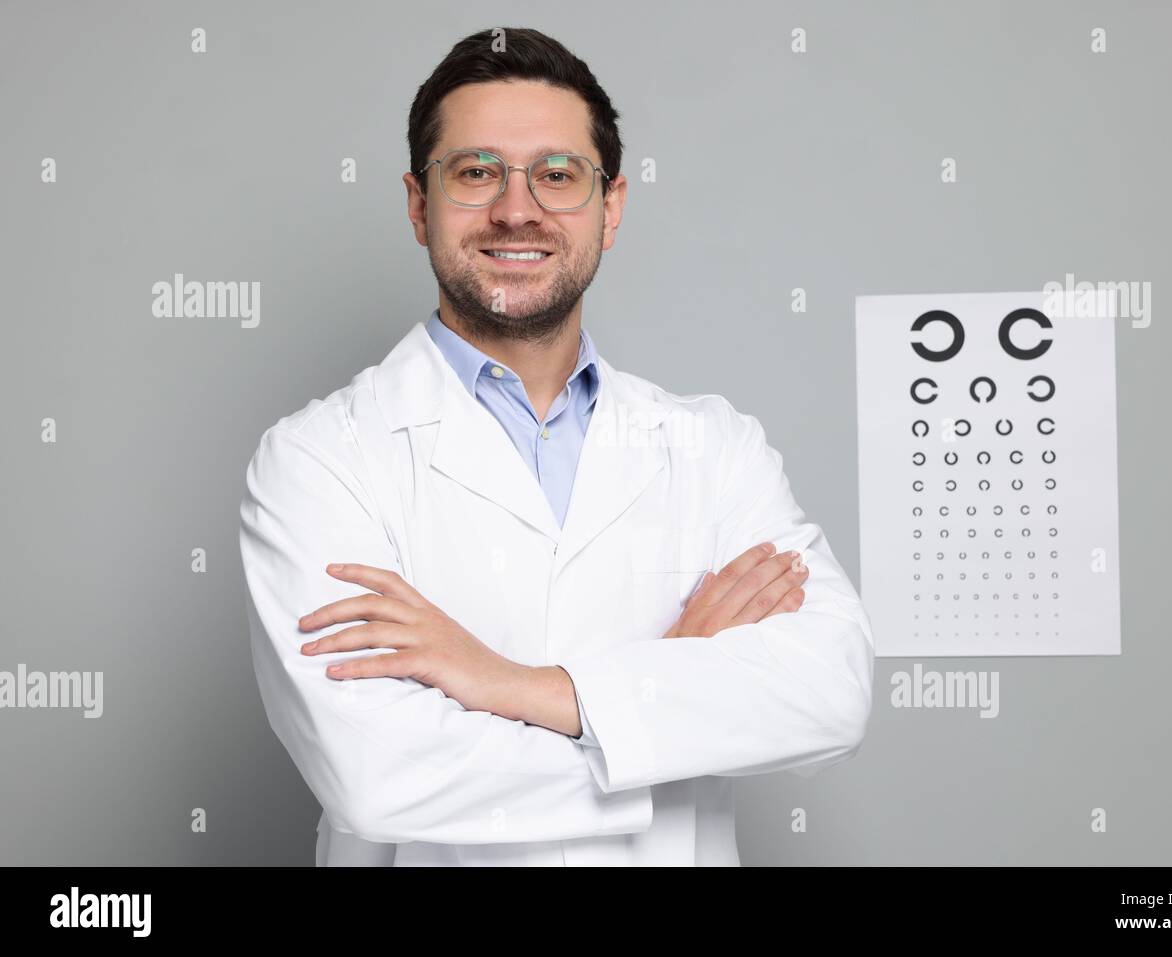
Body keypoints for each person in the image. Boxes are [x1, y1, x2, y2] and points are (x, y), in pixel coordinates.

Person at [238, 27, 874, 867]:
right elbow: (378, 774)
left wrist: (520, 686)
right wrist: (664, 695)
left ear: (608, 209)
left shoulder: (714, 447)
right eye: (475, 172)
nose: (516, 208)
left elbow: (830, 690)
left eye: (557, 174)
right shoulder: (319, 459)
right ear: (417, 203)